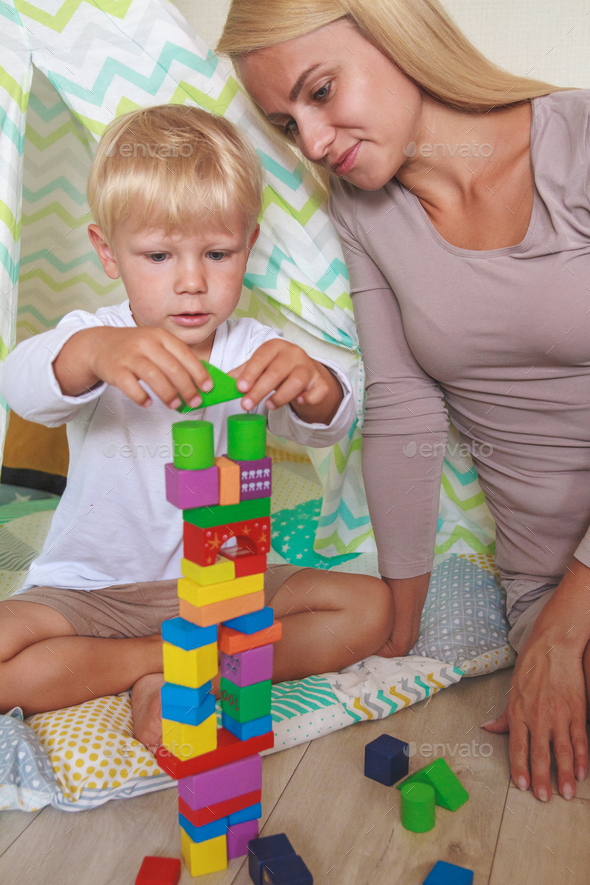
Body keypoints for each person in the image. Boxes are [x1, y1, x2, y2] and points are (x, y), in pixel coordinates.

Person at [217, 0, 590, 803]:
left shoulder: (579, 139)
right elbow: (403, 409)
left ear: (393, 31)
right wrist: (398, 616)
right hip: (543, 585)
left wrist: (575, 614)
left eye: (320, 91)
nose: (313, 143)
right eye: (286, 125)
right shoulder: (365, 212)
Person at [0, 104, 393, 753]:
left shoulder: (252, 346)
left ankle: (184, 663)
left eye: (216, 252)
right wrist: (95, 352)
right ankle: (161, 663)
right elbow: (22, 385)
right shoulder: (94, 338)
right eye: (158, 254)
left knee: (369, 608)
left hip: (224, 587)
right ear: (107, 251)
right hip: (94, 592)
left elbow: (327, 427)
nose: (191, 282)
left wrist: (319, 386)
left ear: (249, 244)